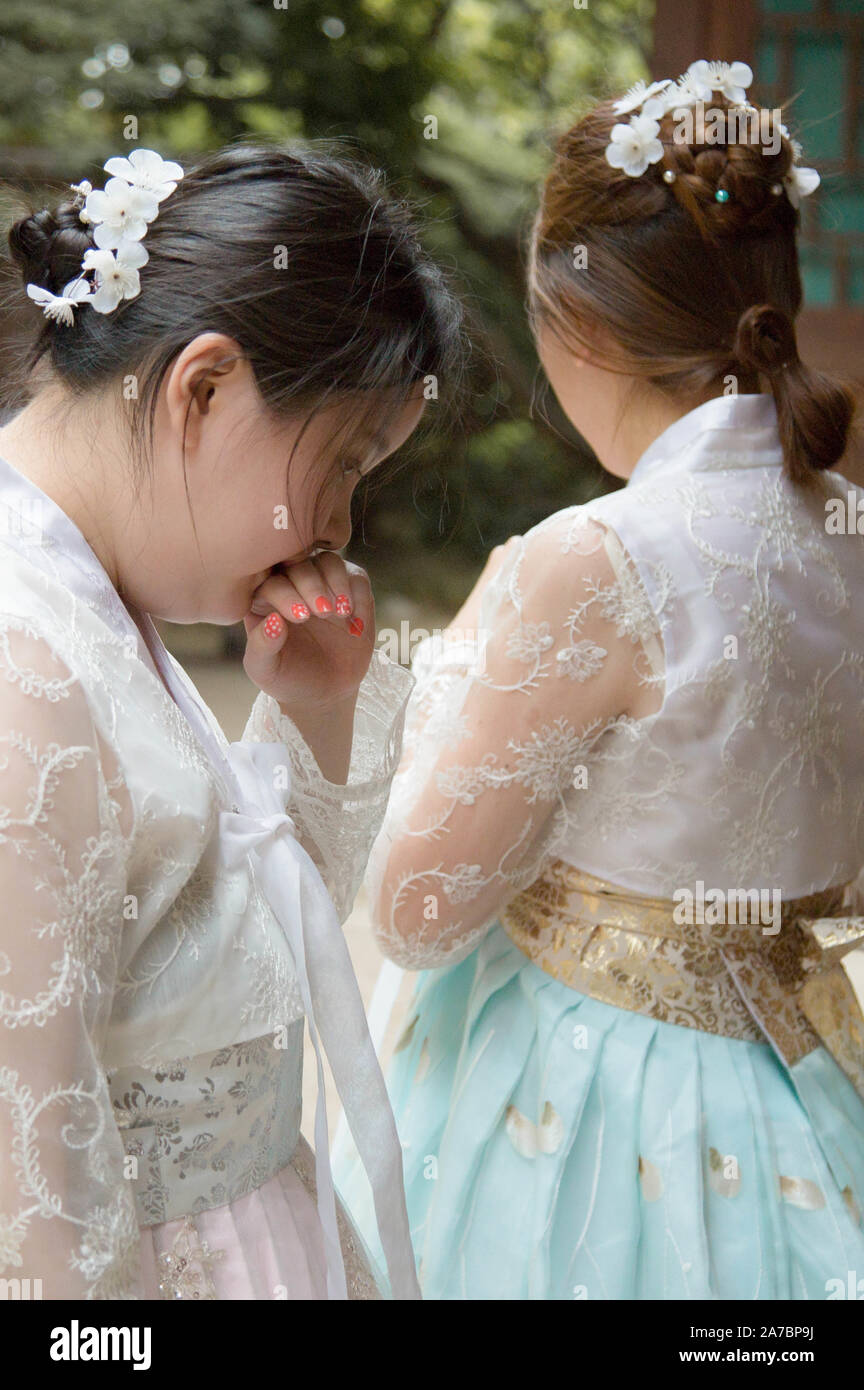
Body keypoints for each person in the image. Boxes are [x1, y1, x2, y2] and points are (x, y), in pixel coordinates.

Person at [333, 60, 864, 1300]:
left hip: (595, 1106)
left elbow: (417, 910)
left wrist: (435, 676)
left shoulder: (596, 559)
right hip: (806, 1074)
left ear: (573, 325)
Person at [0, 140, 464, 1299]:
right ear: (201, 390)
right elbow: (35, 1218)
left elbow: (241, 955)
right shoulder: (27, 674)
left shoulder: (96, 604)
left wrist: (314, 712)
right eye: (344, 466)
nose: (337, 531)